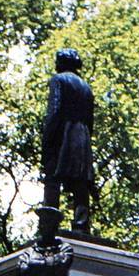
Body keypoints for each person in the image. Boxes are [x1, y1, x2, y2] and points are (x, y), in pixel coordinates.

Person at [41, 48, 95, 234]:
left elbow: (54, 111)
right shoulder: (86, 87)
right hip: (83, 138)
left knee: (52, 178)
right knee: (80, 184)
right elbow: (90, 120)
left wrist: (47, 138)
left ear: (63, 62)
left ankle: (49, 224)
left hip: (63, 136)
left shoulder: (58, 80)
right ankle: (81, 225)